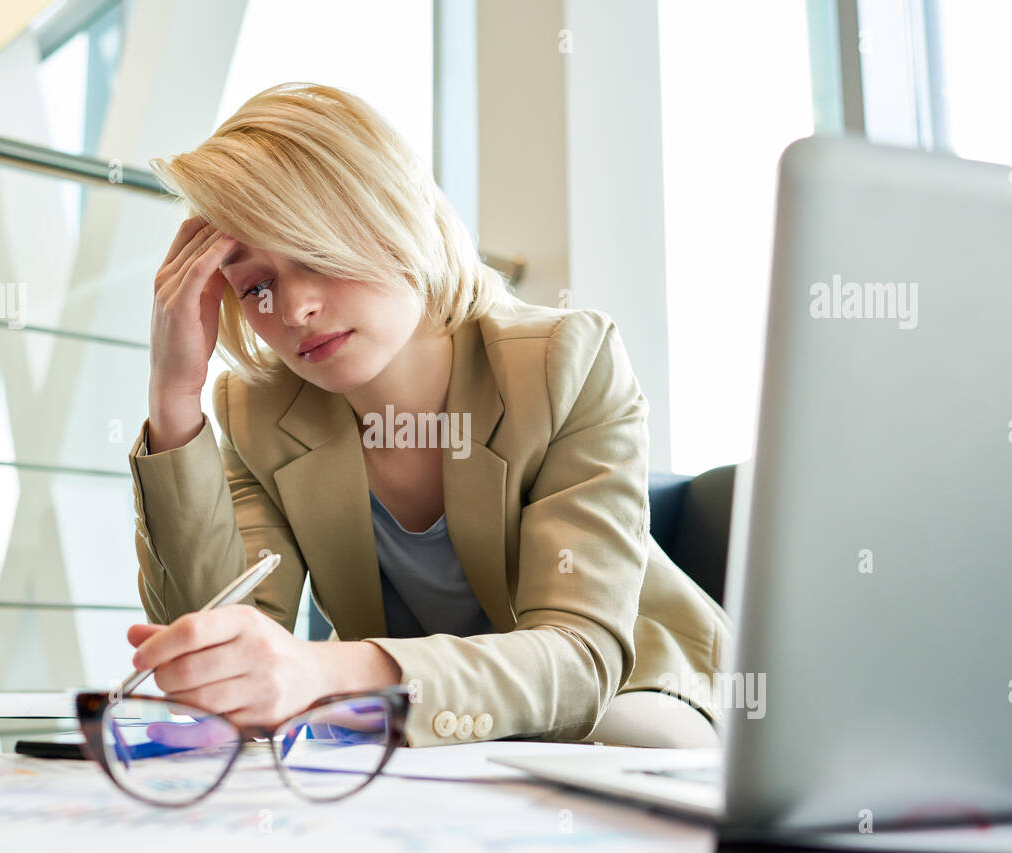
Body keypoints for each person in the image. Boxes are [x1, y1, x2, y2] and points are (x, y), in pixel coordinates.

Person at [125, 82, 731, 748]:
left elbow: (578, 663)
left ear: (390, 211)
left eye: (315, 252)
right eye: (257, 285)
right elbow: (220, 647)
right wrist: (174, 399)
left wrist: (329, 671)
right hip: (422, 726)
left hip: (634, 690)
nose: (293, 308)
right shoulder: (256, 413)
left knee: (622, 738)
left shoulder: (569, 362)